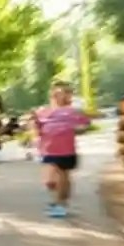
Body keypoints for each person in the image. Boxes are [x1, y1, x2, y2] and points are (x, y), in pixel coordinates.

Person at [31, 81, 90, 218]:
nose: (64, 96)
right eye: (60, 92)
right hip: (48, 150)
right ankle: (60, 198)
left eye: (67, 93)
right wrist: (34, 136)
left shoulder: (74, 112)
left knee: (63, 176)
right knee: (49, 181)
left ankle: (60, 204)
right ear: (53, 94)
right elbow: (35, 126)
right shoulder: (43, 112)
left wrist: (79, 128)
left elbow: (85, 124)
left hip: (66, 150)